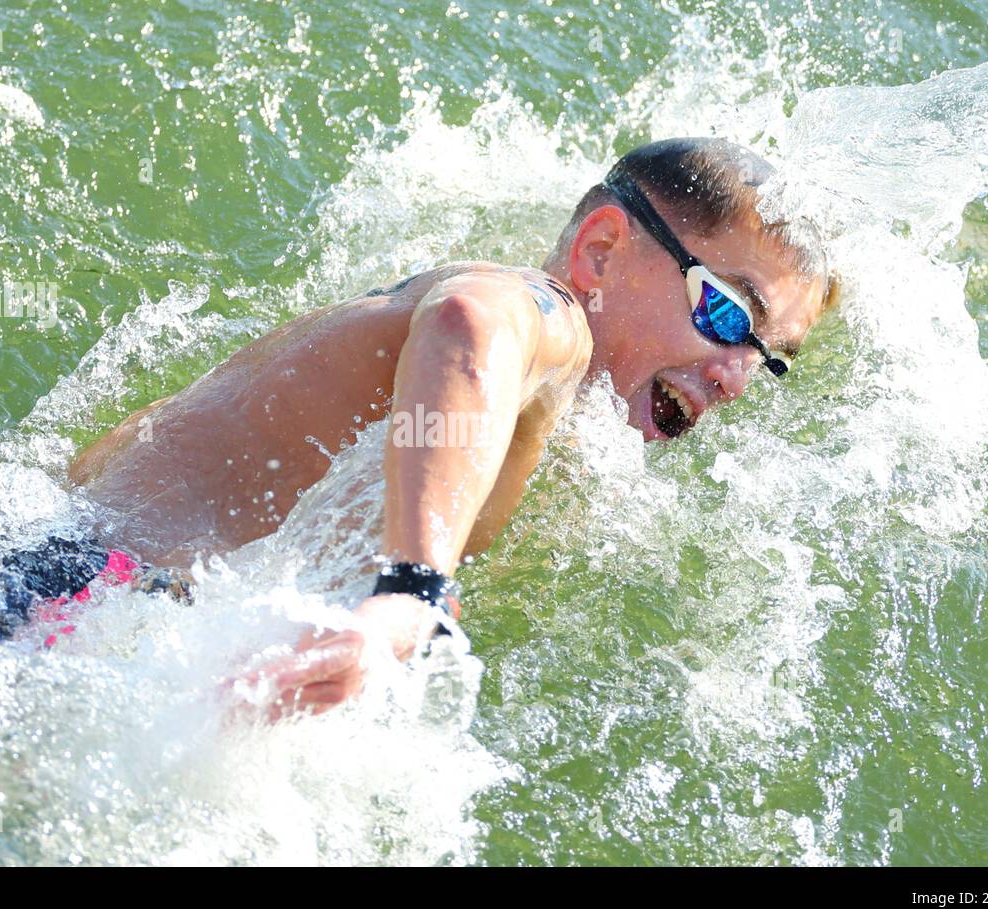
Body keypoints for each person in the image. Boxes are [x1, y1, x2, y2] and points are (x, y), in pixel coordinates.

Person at [49, 138, 835, 716]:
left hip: (85, 586)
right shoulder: (551, 316)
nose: (735, 374)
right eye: (729, 314)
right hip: (87, 603)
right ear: (600, 253)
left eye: (770, 358)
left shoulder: (531, 411)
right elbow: (470, 323)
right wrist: (409, 591)